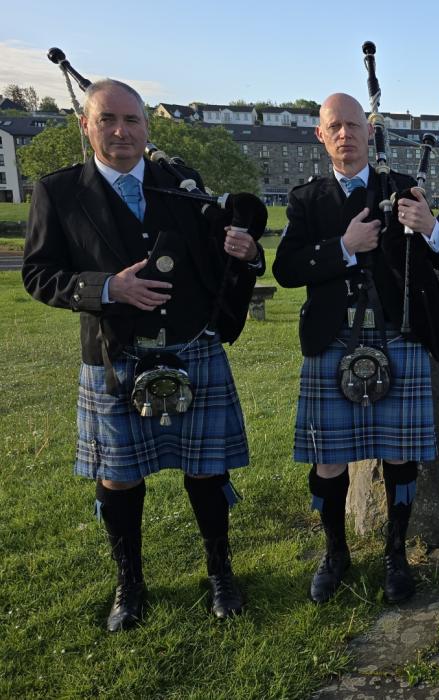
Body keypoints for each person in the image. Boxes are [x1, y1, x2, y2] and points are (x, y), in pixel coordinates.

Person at [23, 80, 264, 631]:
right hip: (116, 353)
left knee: (207, 468)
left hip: (191, 344)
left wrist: (244, 253)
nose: (121, 131)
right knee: (120, 477)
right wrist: (109, 289)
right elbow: (38, 275)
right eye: (107, 119)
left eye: (132, 120)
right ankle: (128, 582)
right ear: (86, 125)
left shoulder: (181, 184)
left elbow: (215, 260)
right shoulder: (58, 191)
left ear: (146, 127)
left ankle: (220, 572)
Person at [273, 93, 439, 604]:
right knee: (328, 459)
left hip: (399, 332)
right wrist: (344, 248)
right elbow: (285, 270)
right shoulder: (305, 199)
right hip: (333, 336)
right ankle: (336, 553)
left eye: (354, 125)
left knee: (400, 455)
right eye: (336, 126)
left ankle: (395, 553)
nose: (346, 134)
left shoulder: (400, 188)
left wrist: (430, 229)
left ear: (369, 134)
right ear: (321, 135)